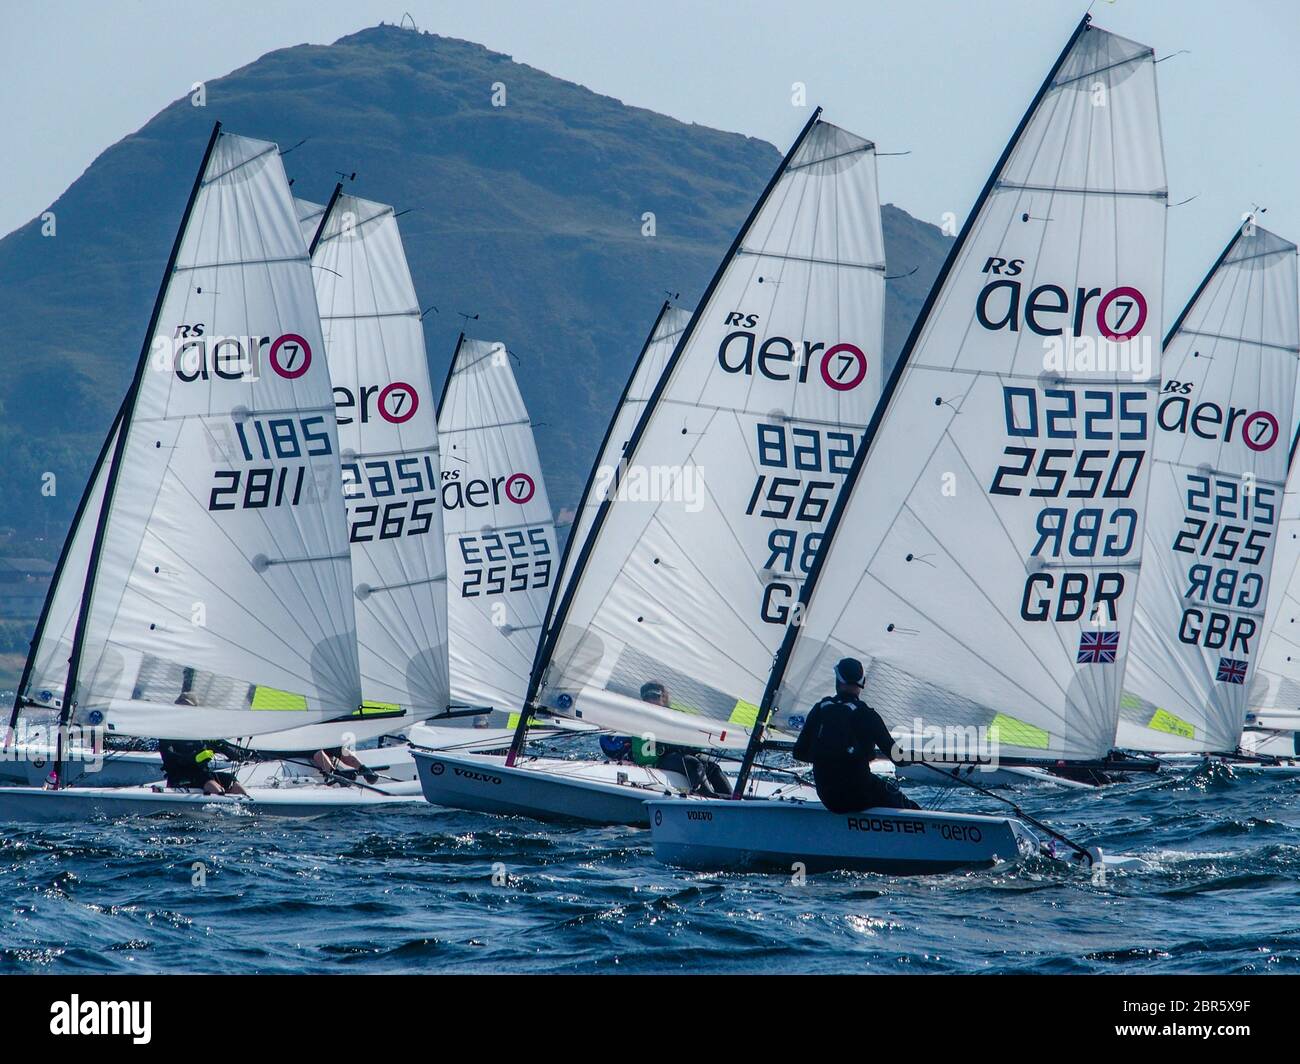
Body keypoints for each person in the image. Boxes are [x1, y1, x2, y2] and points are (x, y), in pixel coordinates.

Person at [792, 657, 919, 813]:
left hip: (828, 797)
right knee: (906, 805)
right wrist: (916, 756)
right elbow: (898, 759)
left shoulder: (820, 709)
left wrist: (826, 756)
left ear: (837, 680)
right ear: (863, 682)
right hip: (859, 796)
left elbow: (798, 752)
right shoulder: (867, 714)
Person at [627, 680, 732, 798]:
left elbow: (696, 742)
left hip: (679, 756)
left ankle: (732, 797)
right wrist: (666, 747)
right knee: (693, 763)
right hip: (659, 761)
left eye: (656, 696)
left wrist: (690, 746)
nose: (652, 700)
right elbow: (646, 757)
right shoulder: (644, 721)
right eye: (648, 697)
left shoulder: (676, 717)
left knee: (712, 766)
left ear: (664, 698)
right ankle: (707, 794)